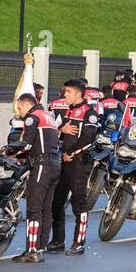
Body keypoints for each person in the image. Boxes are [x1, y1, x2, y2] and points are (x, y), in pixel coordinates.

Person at [2, 93, 60, 263]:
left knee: (34, 208)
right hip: (55, 164)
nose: (19, 112)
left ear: (25, 104)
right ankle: (41, 247)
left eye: (19, 107)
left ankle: (31, 250)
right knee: (46, 208)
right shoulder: (48, 116)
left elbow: (26, 144)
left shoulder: (32, 117)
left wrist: (8, 151)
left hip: (42, 165)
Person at [48, 79, 101, 256]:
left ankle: (79, 243)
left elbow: (89, 138)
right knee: (57, 201)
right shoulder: (69, 111)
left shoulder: (89, 113)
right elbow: (57, 129)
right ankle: (57, 241)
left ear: (79, 93)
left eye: (68, 92)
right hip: (64, 160)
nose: (65, 95)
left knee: (79, 203)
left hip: (79, 162)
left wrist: (71, 153)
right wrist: (62, 128)